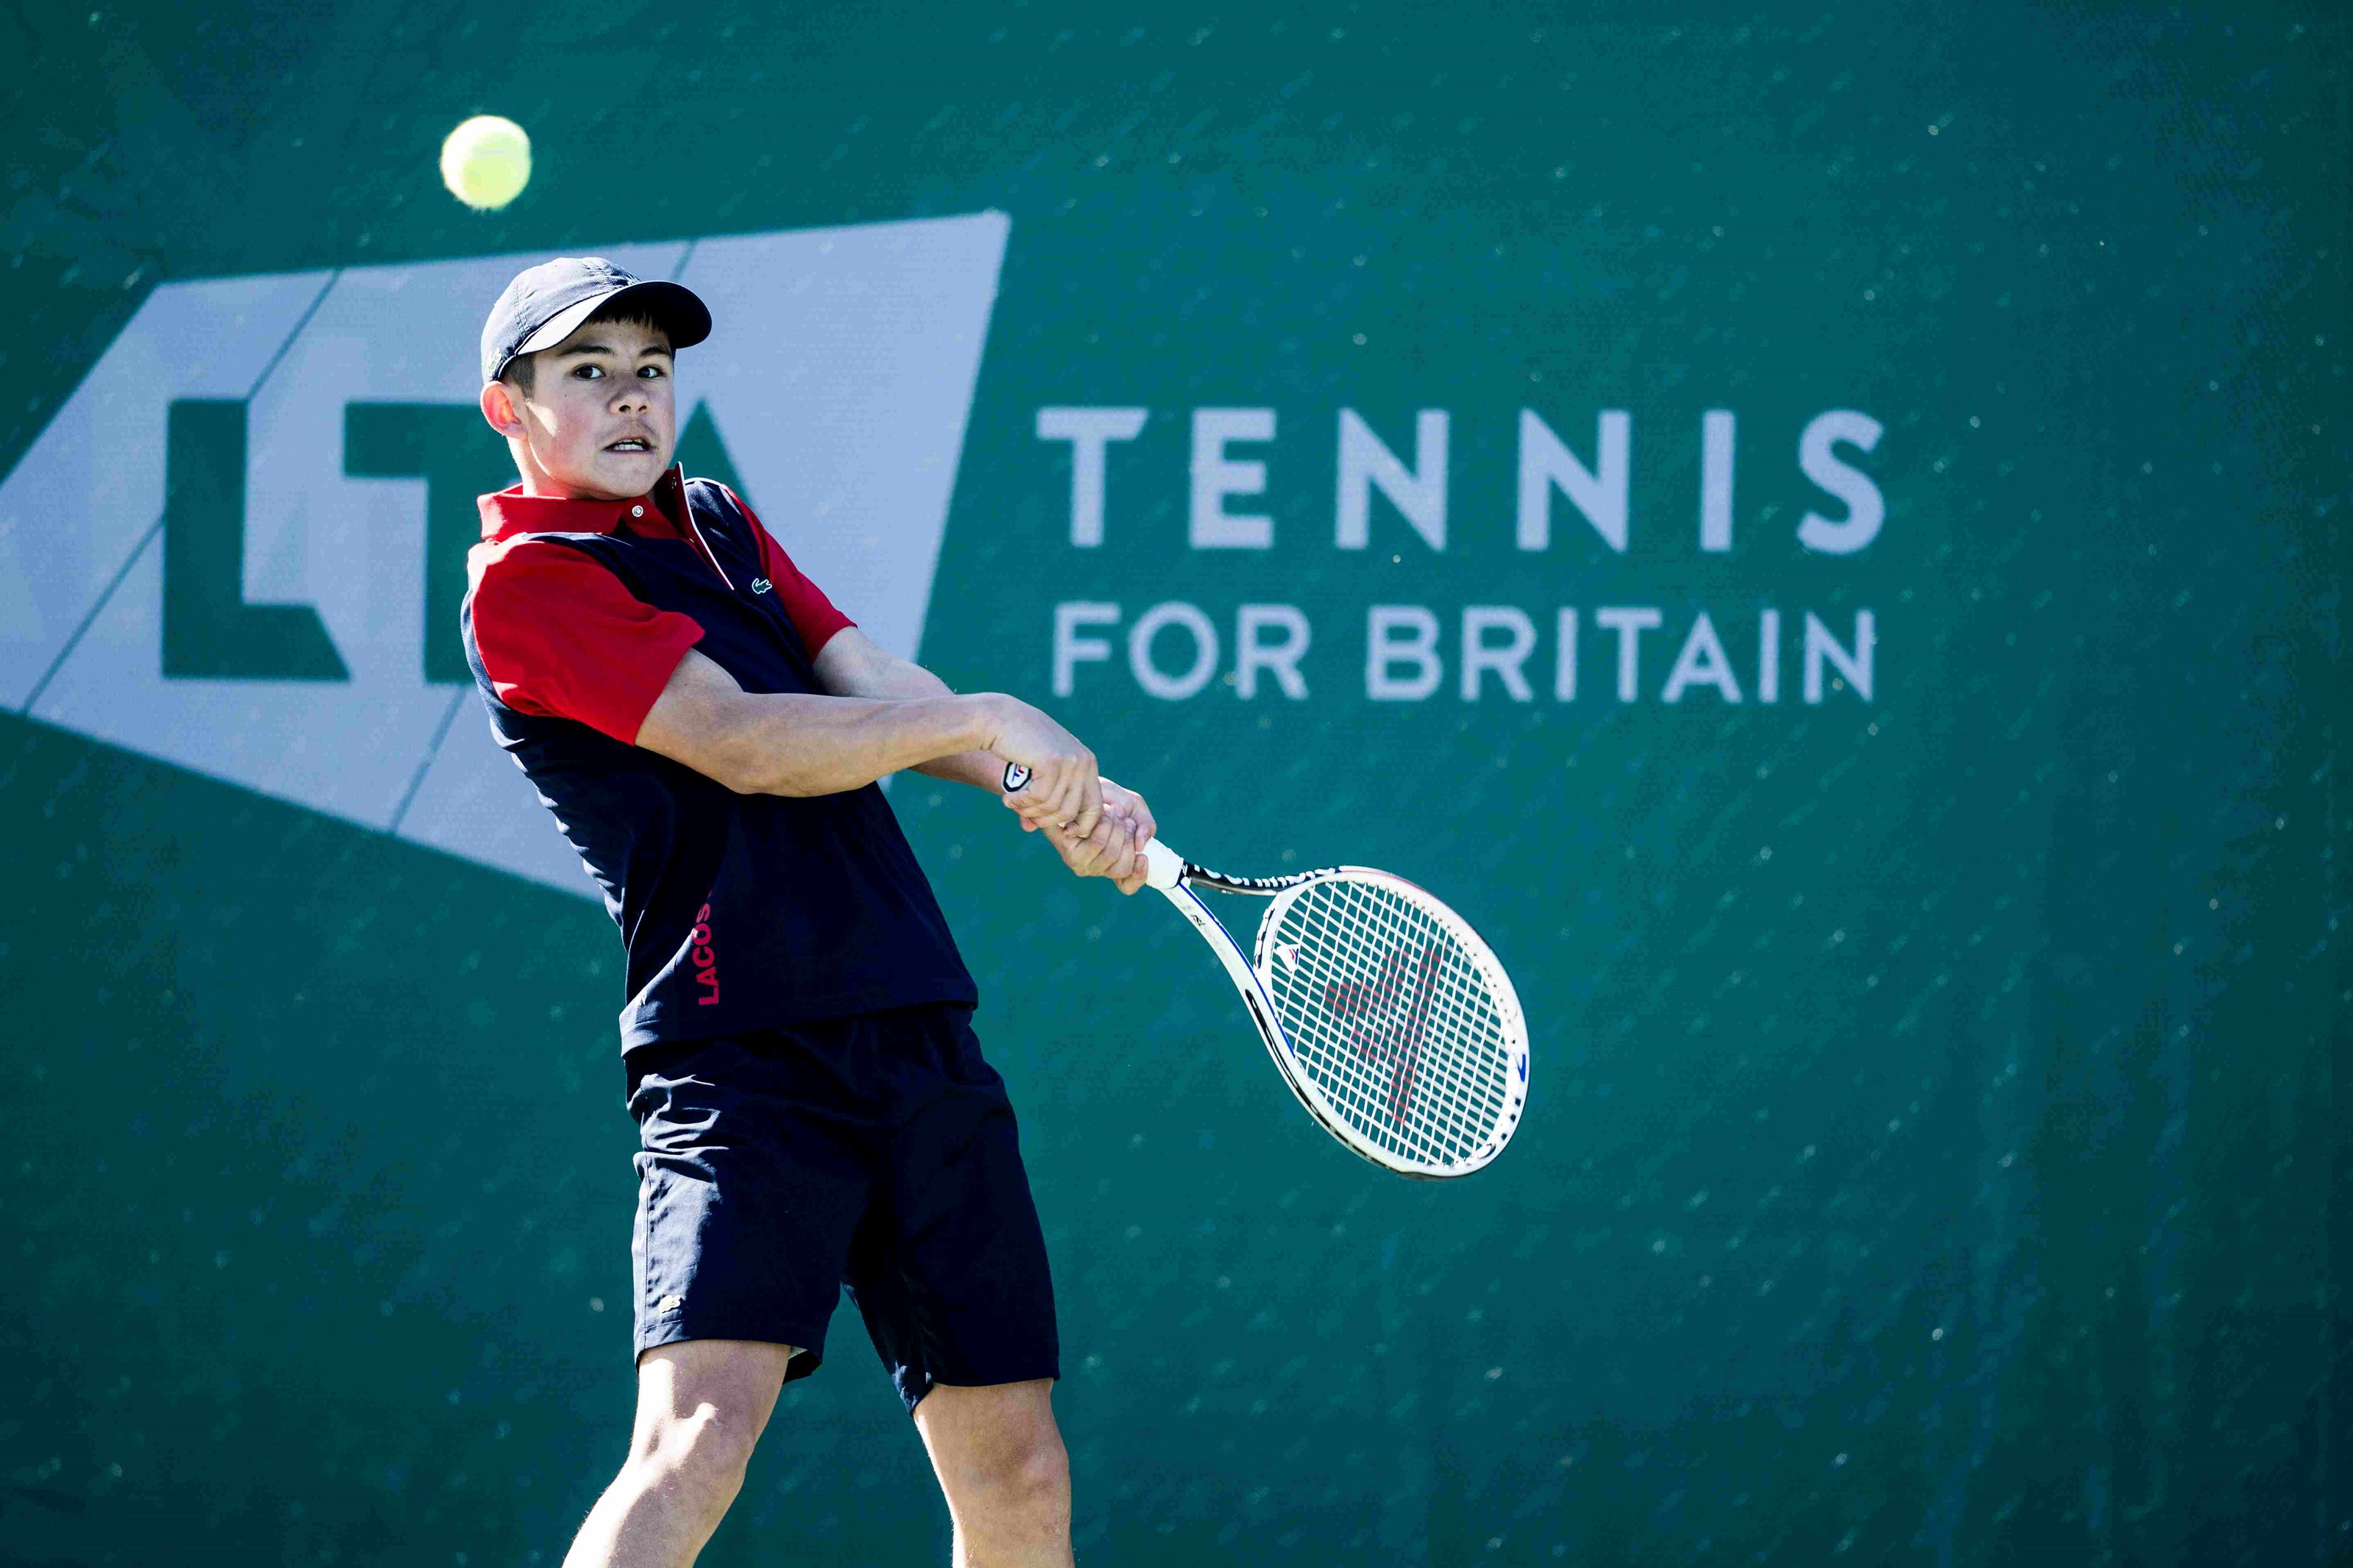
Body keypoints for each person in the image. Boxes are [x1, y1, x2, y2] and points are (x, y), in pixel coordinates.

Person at [462, 256, 1148, 1568]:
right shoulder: (528, 583)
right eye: (589, 372)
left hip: (915, 1026)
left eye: (651, 370)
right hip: (743, 1057)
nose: (631, 397)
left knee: (1019, 1466)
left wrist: (1052, 786)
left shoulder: (715, 520)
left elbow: (862, 681)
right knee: (697, 1439)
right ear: (511, 407)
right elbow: (747, 743)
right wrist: (991, 717)